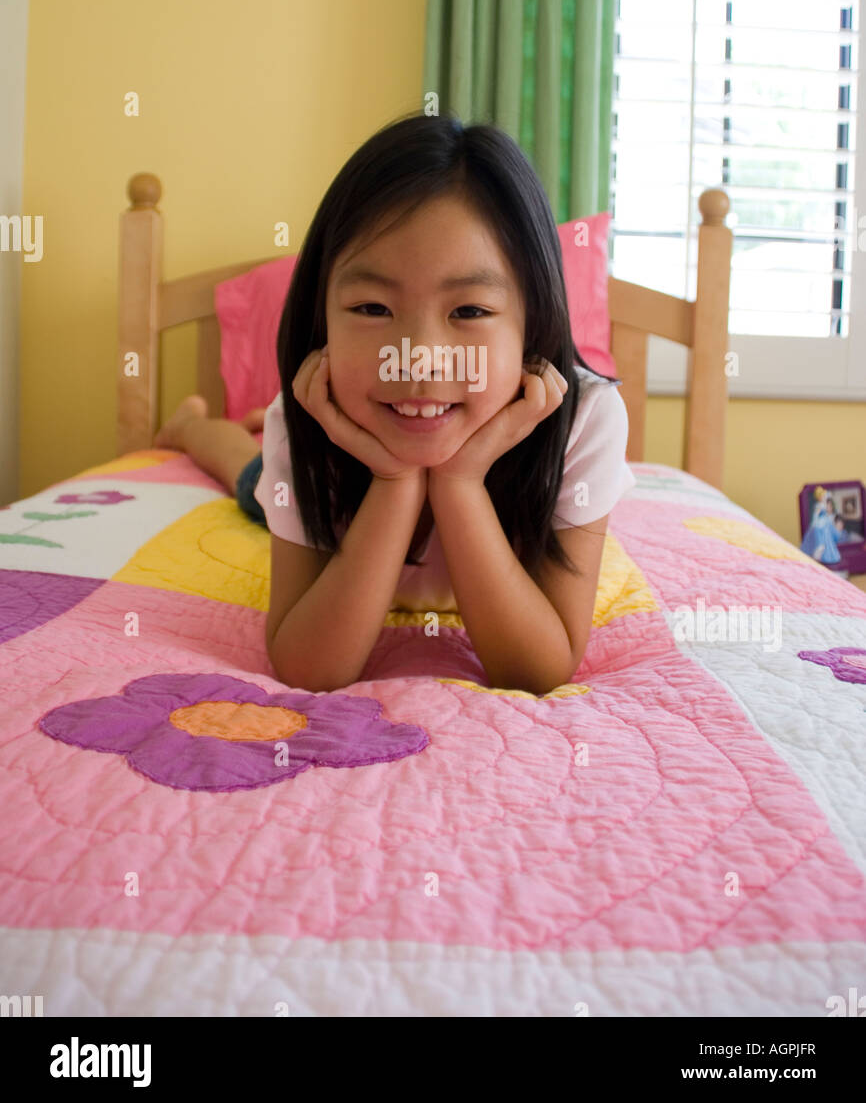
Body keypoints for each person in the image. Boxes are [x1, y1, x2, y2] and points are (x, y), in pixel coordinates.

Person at [154, 112, 636, 693]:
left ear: (532, 327)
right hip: (343, 453)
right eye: (373, 309)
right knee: (245, 473)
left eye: (470, 311)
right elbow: (308, 668)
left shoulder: (584, 421)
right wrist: (395, 478)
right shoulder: (305, 419)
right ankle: (190, 426)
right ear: (321, 317)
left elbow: (536, 670)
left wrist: (458, 483)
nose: (418, 358)